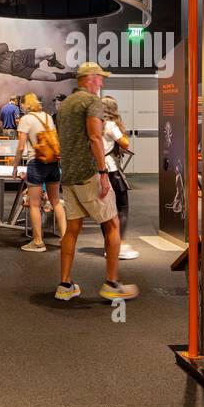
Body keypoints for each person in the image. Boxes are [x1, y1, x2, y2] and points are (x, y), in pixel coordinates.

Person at [54, 63, 139, 301]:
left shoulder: (66, 104)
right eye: (100, 78)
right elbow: (94, 137)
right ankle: (112, 283)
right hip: (89, 173)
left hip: (69, 175)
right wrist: (103, 173)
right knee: (112, 226)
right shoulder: (93, 102)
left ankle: (65, 285)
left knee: (72, 229)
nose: (102, 83)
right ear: (90, 79)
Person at [15, 92, 64, 253]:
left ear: (25, 105)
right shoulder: (47, 117)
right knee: (56, 201)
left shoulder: (25, 119)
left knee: (34, 204)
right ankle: (65, 237)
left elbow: (21, 147)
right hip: (52, 162)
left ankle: (37, 242)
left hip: (36, 163)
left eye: (21, 104)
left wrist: (16, 166)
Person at [100, 96, 139, 260]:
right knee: (122, 207)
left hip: (99, 170)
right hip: (112, 171)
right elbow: (125, 143)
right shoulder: (111, 125)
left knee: (104, 210)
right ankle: (119, 244)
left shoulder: (96, 124)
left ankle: (109, 243)